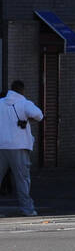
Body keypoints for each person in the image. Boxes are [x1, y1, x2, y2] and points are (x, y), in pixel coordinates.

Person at [0, 81, 43, 217]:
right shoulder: (25, 103)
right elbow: (39, 115)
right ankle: (27, 209)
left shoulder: (1, 102)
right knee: (22, 179)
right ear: (22, 90)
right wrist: (28, 120)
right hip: (19, 146)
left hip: (1, 145)